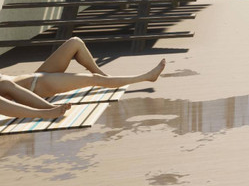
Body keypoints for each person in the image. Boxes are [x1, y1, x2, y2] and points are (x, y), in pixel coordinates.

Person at [0, 37, 165, 120]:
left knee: (75, 42)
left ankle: (105, 77)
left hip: (39, 73)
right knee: (93, 79)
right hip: (38, 86)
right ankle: (146, 77)